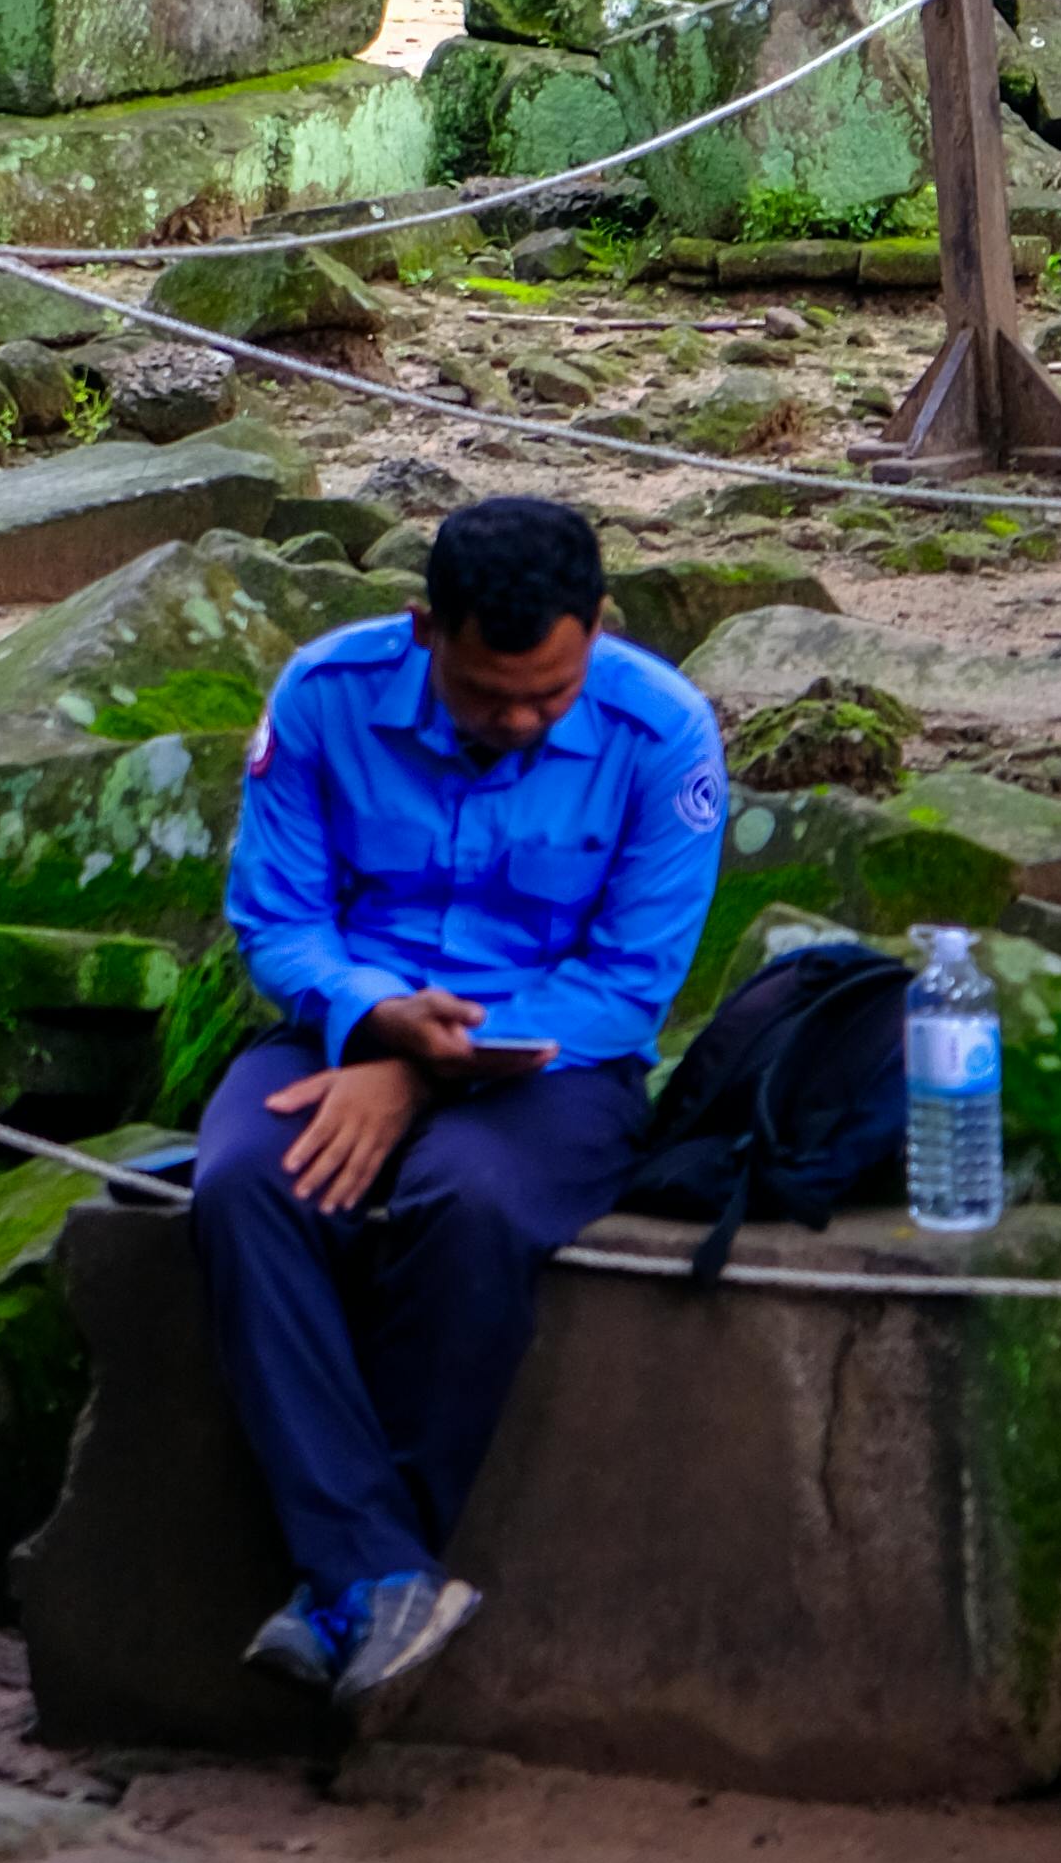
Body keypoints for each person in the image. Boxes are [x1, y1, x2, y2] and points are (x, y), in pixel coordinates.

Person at [191, 488, 726, 1717]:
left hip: (558, 1066)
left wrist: (419, 1069)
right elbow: (276, 917)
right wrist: (374, 1024)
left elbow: (630, 984)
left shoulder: (663, 736)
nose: (520, 719)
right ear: (424, 630)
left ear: (596, 626)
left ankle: (343, 1578)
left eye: (549, 691)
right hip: (344, 1023)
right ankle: (378, 1574)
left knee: (468, 1198)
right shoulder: (322, 697)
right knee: (238, 1182)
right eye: (487, 695)